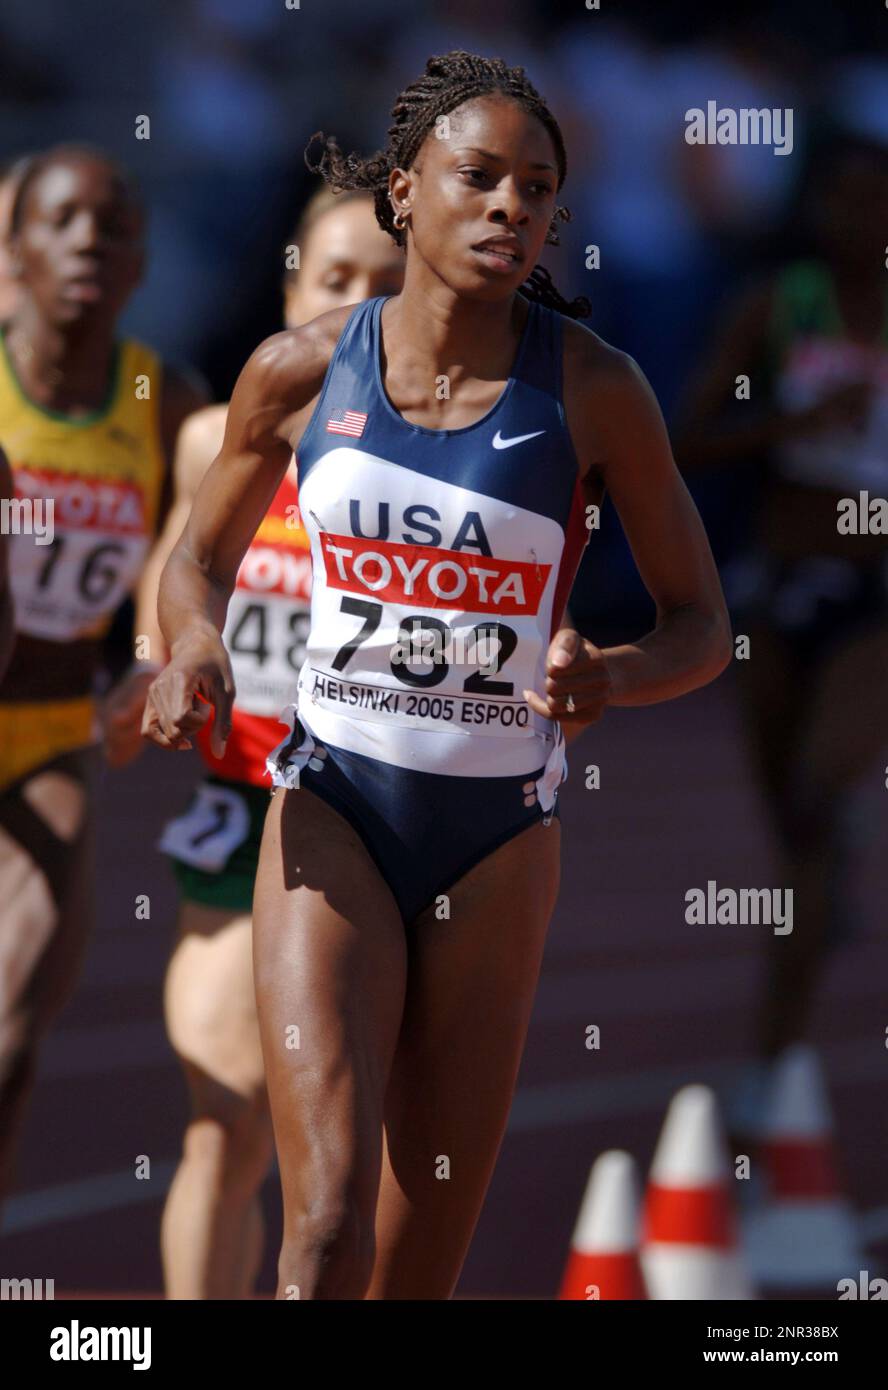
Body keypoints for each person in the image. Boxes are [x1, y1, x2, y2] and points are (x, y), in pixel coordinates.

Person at [143, 50, 731, 1299]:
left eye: (538, 189)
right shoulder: (299, 373)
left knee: (415, 1273)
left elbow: (700, 625)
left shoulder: (596, 392)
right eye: (481, 177)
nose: (512, 207)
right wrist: (192, 644)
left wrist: (610, 679)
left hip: (497, 842)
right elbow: (193, 562)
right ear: (405, 193)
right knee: (320, 1237)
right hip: (334, 805)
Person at [105, 184, 404, 1298]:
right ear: (291, 291)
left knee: (357, 1156)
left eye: (387, 290)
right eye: (334, 284)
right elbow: (177, 575)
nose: (354, 315)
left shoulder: (442, 456)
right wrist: (158, 667)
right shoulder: (211, 437)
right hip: (247, 807)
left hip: (390, 814)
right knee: (225, 1125)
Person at [0, 144, 206, 1211]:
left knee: (14, 1030)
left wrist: (150, 656)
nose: (90, 240)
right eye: (64, 220)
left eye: (115, 226)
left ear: (141, 265)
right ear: (12, 250)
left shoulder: (155, 393)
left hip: (48, 732)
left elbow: (198, 542)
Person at [675, 129, 888, 1139]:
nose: (865, 222)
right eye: (847, 201)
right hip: (778, 580)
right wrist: (788, 429)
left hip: (877, 594)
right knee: (788, 823)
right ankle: (823, 875)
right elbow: (688, 435)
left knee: (815, 789)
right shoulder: (781, 306)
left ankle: (772, 1061)